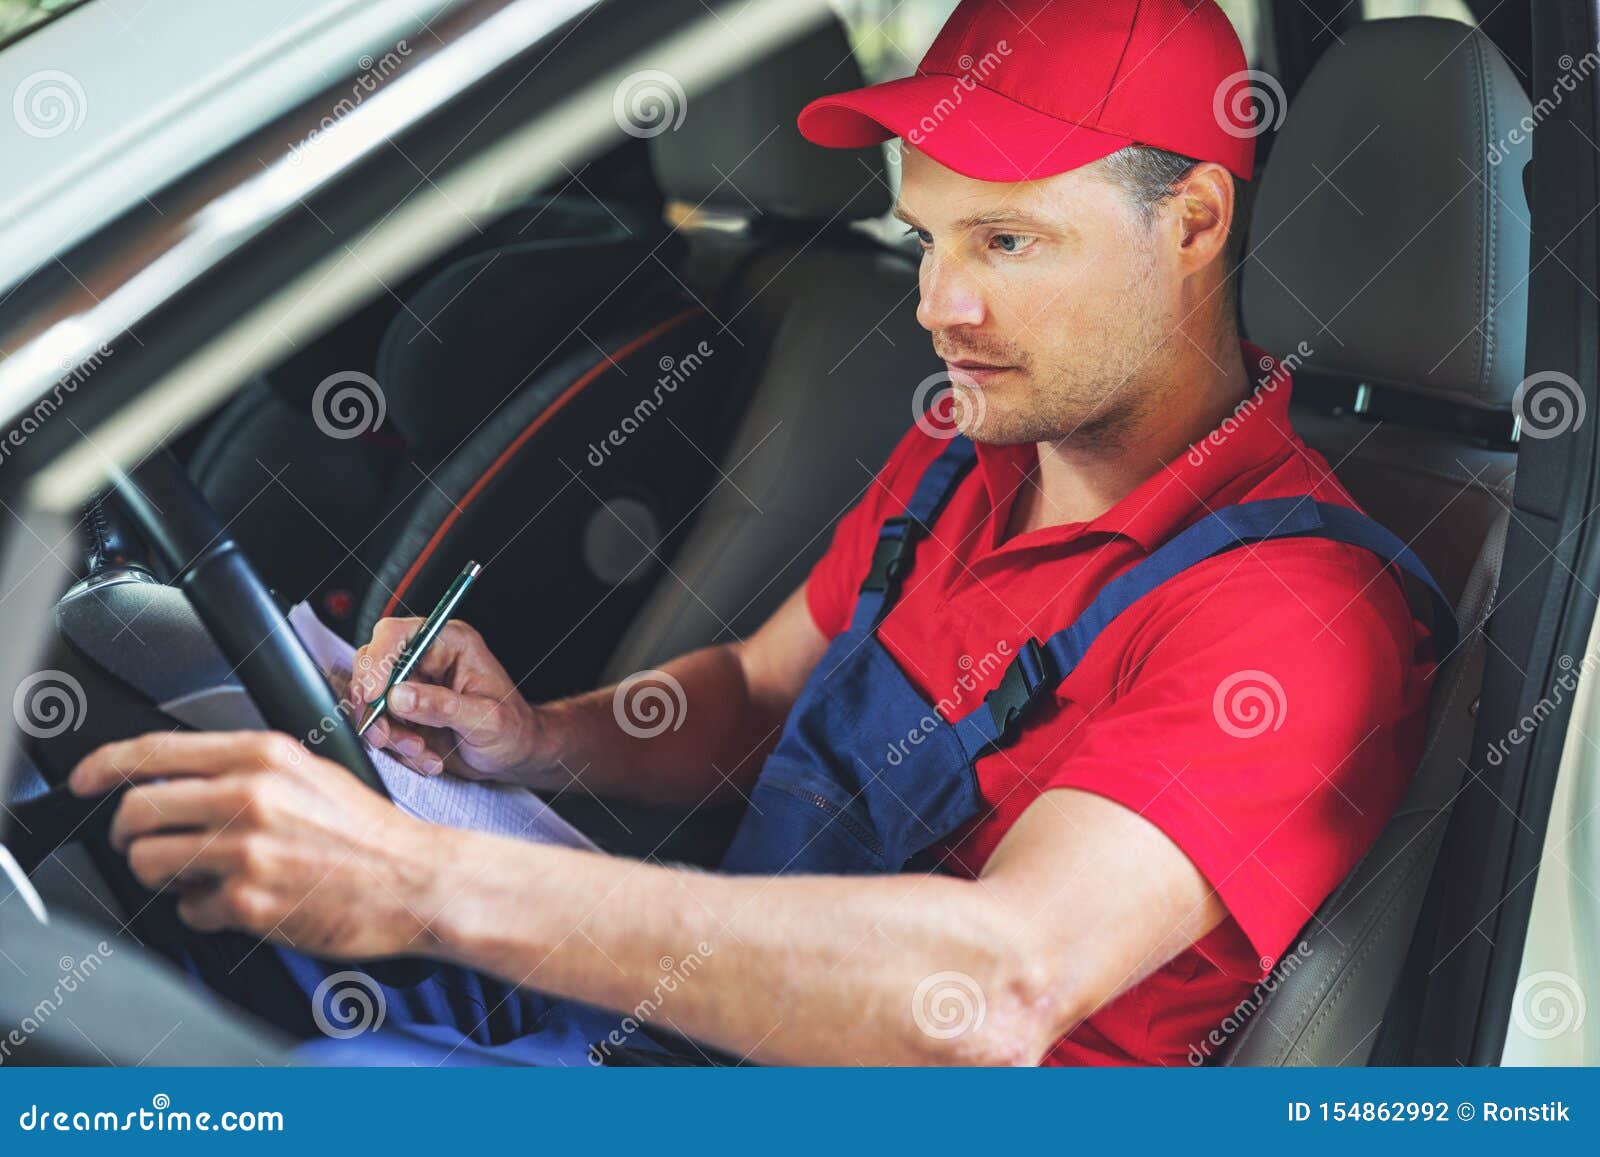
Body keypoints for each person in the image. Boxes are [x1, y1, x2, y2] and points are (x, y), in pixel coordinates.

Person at [68, 0, 1446, 1066]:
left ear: (1194, 220)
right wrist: (537, 736)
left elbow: (998, 983)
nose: (936, 307)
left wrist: (425, 882)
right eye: (928, 241)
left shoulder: (1294, 614)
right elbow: (753, 695)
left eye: (1007, 245)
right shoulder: (963, 454)